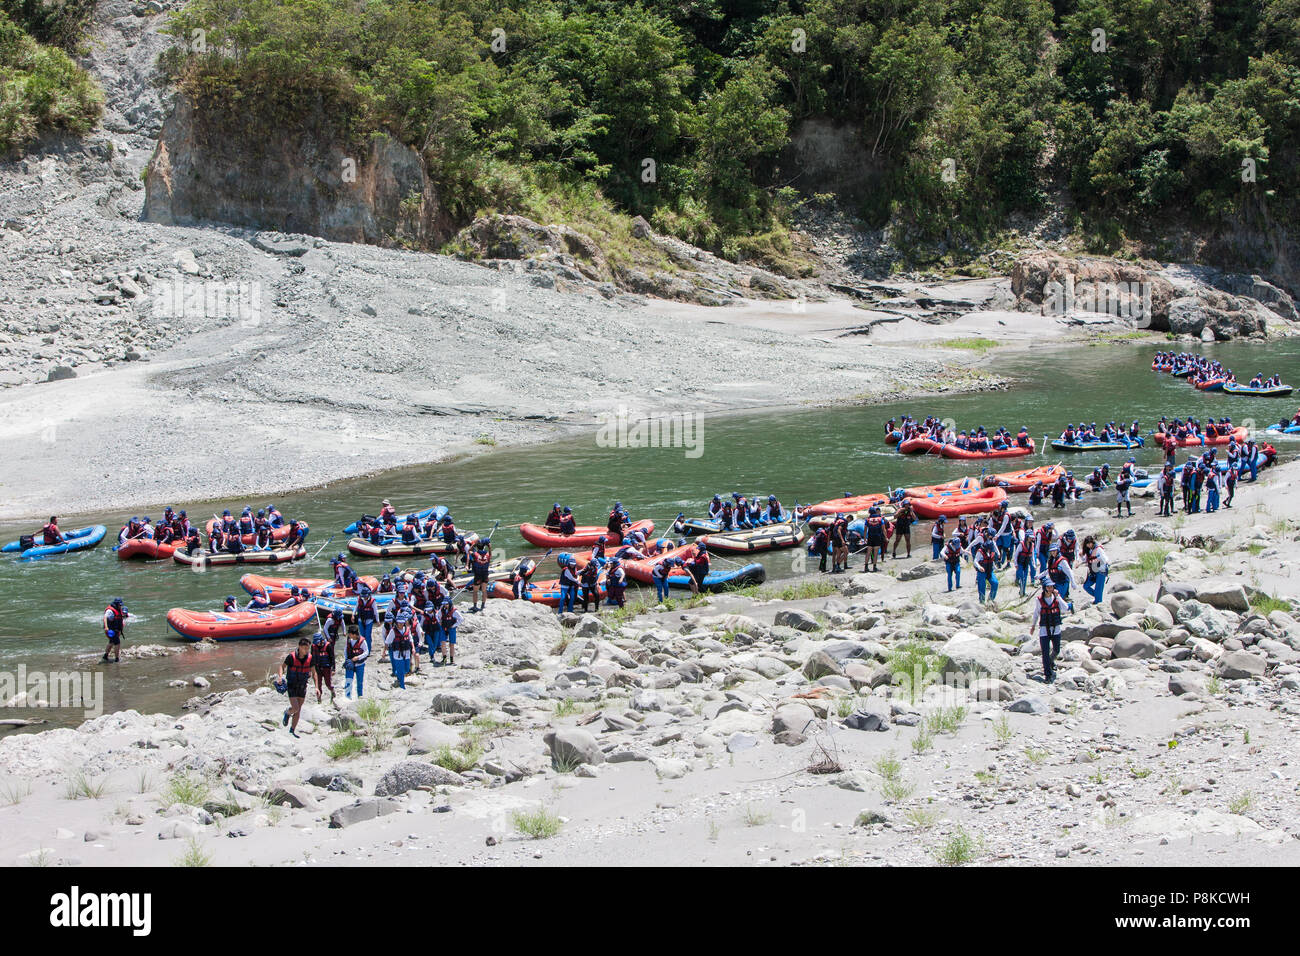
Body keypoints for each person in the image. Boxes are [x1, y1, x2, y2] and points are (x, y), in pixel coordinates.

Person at [1028, 576, 1066, 683]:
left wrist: (1058, 597)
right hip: (1044, 630)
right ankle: (1047, 675)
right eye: (1048, 587)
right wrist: (1033, 626)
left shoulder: (1056, 598)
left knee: (1056, 650)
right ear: (1044, 588)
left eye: (1052, 587)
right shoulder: (1039, 600)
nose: (1050, 589)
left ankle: (1050, 662)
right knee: (1045, 652)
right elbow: (1036, 614)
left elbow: (1065, 608)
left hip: (1056, 629)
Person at [277, 638, 313, 735]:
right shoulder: (291, 657)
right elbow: (282, 666)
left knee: (298, 709)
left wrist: (317, 687)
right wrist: (280, 677)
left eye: (308, 648)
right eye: (305, 648)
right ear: (299, 647)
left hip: (302, 686)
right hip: (292, 685)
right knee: (295, 708)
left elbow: (314, 672)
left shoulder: (310, 658)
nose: (306, 650)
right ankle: (287, 713)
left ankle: (292, 730)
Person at [312, 611, 341, 703]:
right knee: (318, 684)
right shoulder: (313, 647)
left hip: (326, 667)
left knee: (328, 683)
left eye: (318, 642)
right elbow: (312, 658)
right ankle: (319, 699)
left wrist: (333, 669)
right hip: (317, 667)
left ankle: (332, 691)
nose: (317, 644)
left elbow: (332, 657)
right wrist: (311, 670)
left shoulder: (328, 645)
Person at [1081, 535, 1109, 605]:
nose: (1088, 545)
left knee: (1098, 589)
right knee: (1086, 586)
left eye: (1089, 543)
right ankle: (1097, 597)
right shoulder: (1089, 550)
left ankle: (1098, 600)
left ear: (1092, 542)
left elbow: (1105, 559)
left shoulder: (1099, 549)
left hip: (1101, 572)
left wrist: (1099, 562)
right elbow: (1086, 559)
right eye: (1087, 544)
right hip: (1093, 572)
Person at [343, 624, 368, 699]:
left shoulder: (362, 641)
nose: (349, 635)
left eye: (350, 634)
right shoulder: (348, 640)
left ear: (354, 634)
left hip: (360, 664)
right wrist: (347, 659)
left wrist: (358, 657)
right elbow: (345, 650)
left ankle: (360, 695)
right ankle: (348, 696)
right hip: (350, 664)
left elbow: (366, 652)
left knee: (359, 681)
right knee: (348, 680)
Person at [468, 537, 493, 612]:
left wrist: (473, 544)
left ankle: (475, 606)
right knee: (484, 590)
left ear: (477, 547)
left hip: (478, 575)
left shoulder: (475, 554)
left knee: (475, 591)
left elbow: (469, 551)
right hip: (485, 575)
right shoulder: (488, 555)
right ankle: (482, 605)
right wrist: (489, 547)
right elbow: (490, 553)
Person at [434, 600, 462, 665]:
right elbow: (436, 615)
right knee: (442, 642)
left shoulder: (455, 611)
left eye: (446, 604)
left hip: (451, 628)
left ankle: (452, 659)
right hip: (443, 627)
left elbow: (461, 619)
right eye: (444, 604)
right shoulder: (441, 610)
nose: (445, 606)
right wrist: (439, 621)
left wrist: (454, 625)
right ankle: (444, 659)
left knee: (451, 644)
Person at [102, 597, 128, 663]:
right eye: (120, 605)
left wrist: (120, 629)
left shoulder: (118, 609)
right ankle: (117, 659)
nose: (121, 606)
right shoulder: (110, 611)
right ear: (116, 604)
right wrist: (106, 627)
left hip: (116, 630)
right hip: (111, 630)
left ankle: (105, 656)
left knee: (111, 642)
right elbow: (105, 618)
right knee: (117, 643)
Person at [973, 538, 998, 603]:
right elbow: (975, 561)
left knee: (995, 583)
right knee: (982, 585)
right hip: (982, 572)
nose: (990, 550)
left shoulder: (992, 551)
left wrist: (995, 567)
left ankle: (991, 600)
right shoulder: (980, 552)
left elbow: (991, 561)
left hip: (989, 570)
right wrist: (979, 567)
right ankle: (982, 601)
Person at [863, 506, 887, 572]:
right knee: (876, 552)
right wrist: (886, 537)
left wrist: (865, 538)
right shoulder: (880, 519)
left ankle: (866, 567)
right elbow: (883, 529)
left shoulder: (867, 519)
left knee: (868, 552)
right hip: (877, 536)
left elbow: (865, 530)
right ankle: (874, 567)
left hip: (870, 537)